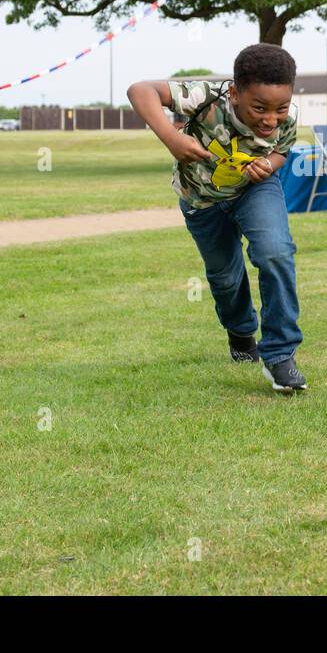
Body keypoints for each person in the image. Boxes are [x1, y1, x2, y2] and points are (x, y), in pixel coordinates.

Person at [127, 44, 307, 392]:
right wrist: (171, 137)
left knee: (275, 251)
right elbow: (140, 90)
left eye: (280, 108)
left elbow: (282, 149)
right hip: (201, 201)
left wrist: (269, 165)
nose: (271, 119)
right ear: (236, 93)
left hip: (254, 191)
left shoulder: (289, 116)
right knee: (224, 277)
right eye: (259, 108)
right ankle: (241, 332)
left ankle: (280, 354)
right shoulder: (206, 97)